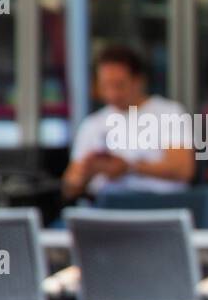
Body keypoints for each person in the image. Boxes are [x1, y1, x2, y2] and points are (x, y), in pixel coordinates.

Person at [62, 44, 196, 200]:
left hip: (158, 204)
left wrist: (129, 168)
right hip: (105, 206)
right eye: (105, 86)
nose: (112, 94)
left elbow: (183, 170)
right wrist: (87, 172)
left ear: (139, 81)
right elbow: (69, 187)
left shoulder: (169, 112)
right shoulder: (92, 124)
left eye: (119, 85)